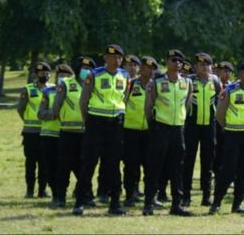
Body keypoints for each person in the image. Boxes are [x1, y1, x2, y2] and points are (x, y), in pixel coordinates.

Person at [75, 44, 130, 216]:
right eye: (113, 57)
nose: (117, 60)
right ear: (105, 58)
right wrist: (88, 120)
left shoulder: (126, 76)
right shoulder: (94, 75)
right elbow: (84, 101)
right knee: (89, 162)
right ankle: (80, 201)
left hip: (116, 124)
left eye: (119, 57)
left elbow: (124, 99)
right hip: (96, 122)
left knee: (113, 164)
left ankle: (115, 203)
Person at [142, 50, 193, 217]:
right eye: (173, 60)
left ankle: (176, 205)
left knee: (177, 168)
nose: (177, 63)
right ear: (166, 61)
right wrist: (153, 125)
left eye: (180, 60)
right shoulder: (156, 82)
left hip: (178, 129)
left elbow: (186, 105)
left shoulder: (187, 82)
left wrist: (181, 121)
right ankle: (148, 203)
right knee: (154, 167)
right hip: (160, 128)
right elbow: (148, 107)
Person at [211, 59, 244, 214]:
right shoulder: (229, 90)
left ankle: (237, 203)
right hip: (233, 135)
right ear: (240, 74)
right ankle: (216, 202)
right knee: (227, 170)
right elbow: (219, 114)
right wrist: (228, 128)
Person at [49, 57, 91, 209]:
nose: (85, 71)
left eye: (88, 68)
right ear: (77, 69)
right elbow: (56, 106)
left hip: (86, 132)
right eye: (83, 67)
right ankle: (60, 197)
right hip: (67, 132)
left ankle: (85, 195)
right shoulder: (66, 84)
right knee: (64, 166)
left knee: (84, 166)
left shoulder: (91, 84)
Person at [182, 52, 221, 208]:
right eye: (201, 64)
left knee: (208, 162)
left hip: (209, 126)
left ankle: (206, 196)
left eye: (207, 64)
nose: (204, 67)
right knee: (188, 161)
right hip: (192, 125)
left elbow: (219, 100)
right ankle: (186, 195)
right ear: (195, 66)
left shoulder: (216, 81)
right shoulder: (189, 81)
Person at [121, 56, 155, 207]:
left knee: (150, 165)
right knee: (131, 165)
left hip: (150, 132)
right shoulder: (131, 84)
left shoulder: (156, 85)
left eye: (151, 68)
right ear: (141, 68)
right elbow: (122, 103)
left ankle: (150, 197)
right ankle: (130, 195)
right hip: (130, 131)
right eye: (145, 67)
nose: (148, 70)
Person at [17, 62, 51, 199]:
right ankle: (29, 190)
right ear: (36, 75)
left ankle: (42, 190)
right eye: (42, 73)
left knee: (44, 162)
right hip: (31, 132)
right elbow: (20, 109)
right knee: (31, 162)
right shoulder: (28, 89)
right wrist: (27, 121)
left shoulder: (52, 89)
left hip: (46, 131)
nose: (45, 76)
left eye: (47, 73)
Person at [36, 65, 64, 206]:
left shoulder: (75, 90)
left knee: (67, 168)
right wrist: (54, 114)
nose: (62, 78)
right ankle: (56, 194)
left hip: (68, 134)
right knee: (51, 167)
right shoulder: (48, 92)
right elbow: (40, 113)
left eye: (66, 75)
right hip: (49, 135)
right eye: (60, 75)